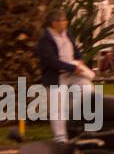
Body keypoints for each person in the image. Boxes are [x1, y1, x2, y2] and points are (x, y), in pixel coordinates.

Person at [36, 8, 94, 142]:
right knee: (57, 107)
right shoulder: (45, 40)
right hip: (57, 76)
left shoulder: (67, 33)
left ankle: (73, 117)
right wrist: (72, 68)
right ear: (54, 23)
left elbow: (75, 48)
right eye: (63, 20)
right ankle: (60, 137)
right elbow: (51, 61)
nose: (66, 23)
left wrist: (79, 59)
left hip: (73, 73)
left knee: (87, 90)